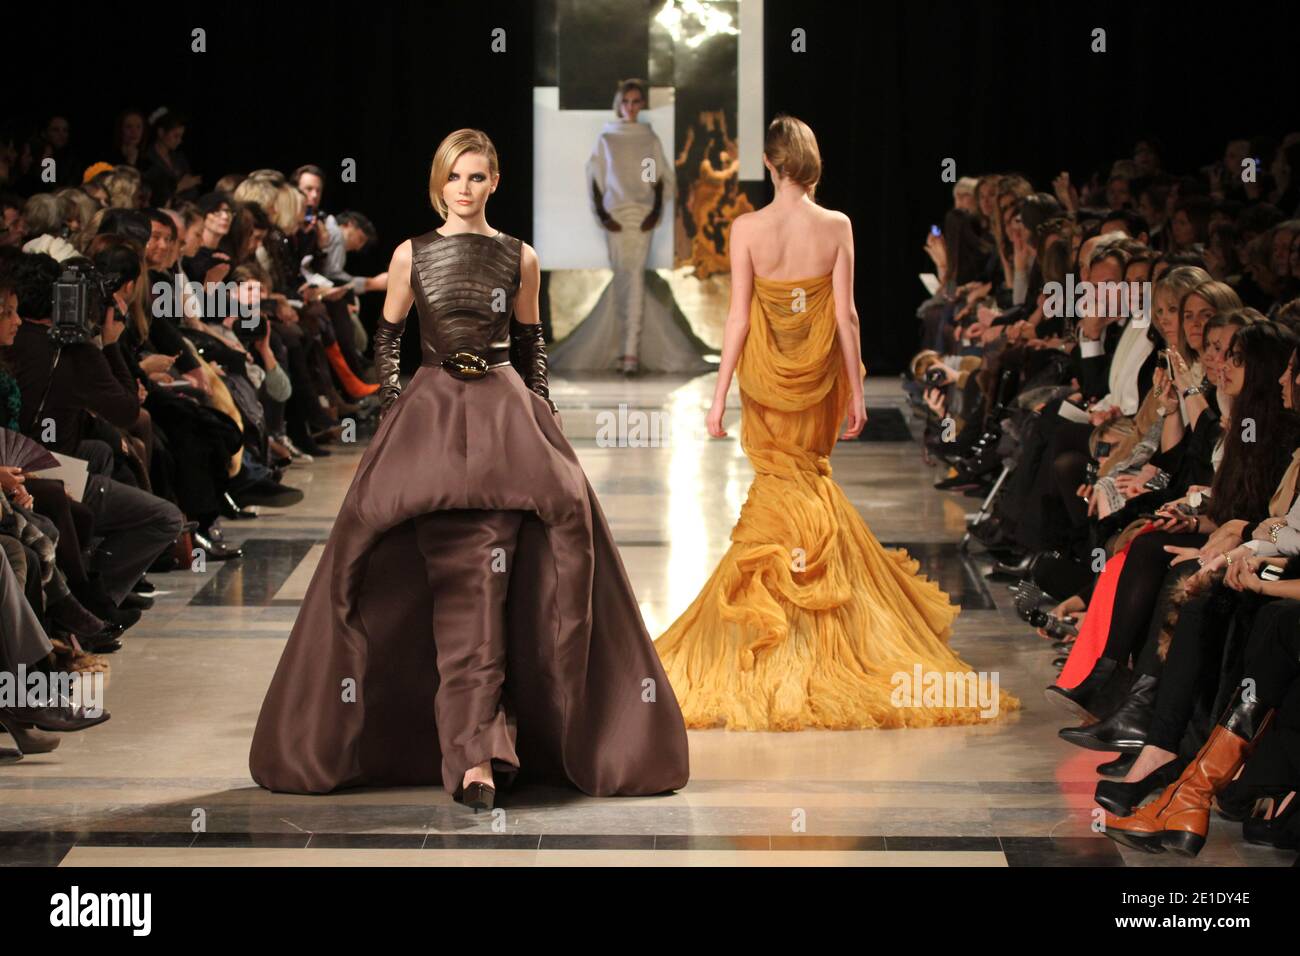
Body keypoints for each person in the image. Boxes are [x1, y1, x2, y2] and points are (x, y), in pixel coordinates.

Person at [249, 129, 690, 810]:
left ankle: (484, 752)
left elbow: (531, 343)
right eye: (455, 176)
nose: (465, 188)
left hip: (505, 422)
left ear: (494, 182)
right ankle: (475, 750)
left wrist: (541, 415)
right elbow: (388, 340)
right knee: (440, 577)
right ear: (439, 182)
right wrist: (396, 412)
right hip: (431, 421)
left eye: (477, 176)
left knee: (505, 573)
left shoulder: (520, 256)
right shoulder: (411, 253)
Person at [653, 115, 1020, 730]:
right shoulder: (836, 226)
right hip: (817, 376)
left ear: (770, 164)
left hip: (766, 376)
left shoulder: (747, 228)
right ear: (811, 162)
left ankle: (780, 630)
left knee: (781, 487)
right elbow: (846, 315)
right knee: (805, 483)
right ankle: (813, 624)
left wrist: (718, 397)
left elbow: (739, 318)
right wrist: (856, 388)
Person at [549, 77, 713, 376]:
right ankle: (624, 349)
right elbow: (595, 178)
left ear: (642, 104)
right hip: (614, 215)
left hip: (641, 217)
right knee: (625, 279)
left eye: (636, 101)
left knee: (633, 278)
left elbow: (658, 176)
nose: (631, 107)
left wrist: (655, 209)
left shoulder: (648, 138)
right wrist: (602, 214)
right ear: (619, 104)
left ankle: (630, 354)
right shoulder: (607, 138)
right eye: (626, 101)